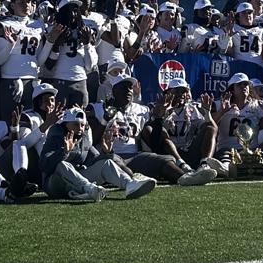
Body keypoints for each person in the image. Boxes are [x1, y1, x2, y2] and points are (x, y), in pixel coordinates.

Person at [88, 74, 216, 186]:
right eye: (123, 87)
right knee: (119, 165)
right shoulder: (99, 108)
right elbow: (91, 140)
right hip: (111, 155)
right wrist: (105, 120)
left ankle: (185, 177)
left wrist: (159, 118)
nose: (128, 91)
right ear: (113, 90)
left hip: (135, 156)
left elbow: (155, 138)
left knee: (164, 160)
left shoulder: (142, 110)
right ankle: (134, 179)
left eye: (130, 87)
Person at [40, 107, 156, 201]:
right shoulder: (55, 137)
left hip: (77, 182)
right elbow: (45, 166)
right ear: (65, 124)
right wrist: (64, 152)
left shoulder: (84, 140)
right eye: (75, 124)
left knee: (107, 163)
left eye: (82, 125)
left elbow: (96, 161)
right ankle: (89, 189)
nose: (80, 128)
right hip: (54, 184)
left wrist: (107, 152)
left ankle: (129, 185)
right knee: (62, 164)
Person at [149, 78, 226, 175]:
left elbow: (212, 127)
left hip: (189, 152)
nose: (181, 94)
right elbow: (155, 135)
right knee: (165, 136)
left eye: (184, 91)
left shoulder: (192, 108)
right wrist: (164, 114)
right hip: (169, 155)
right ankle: (182, 165)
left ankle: (205, 163)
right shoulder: (159, 107)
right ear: (168, 92)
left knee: (211, 128)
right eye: (177, 91)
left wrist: (207, 112)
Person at [0, 0, 45, 123]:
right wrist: (10, 44)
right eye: (22, 2)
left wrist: (50, 42)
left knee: (31, 123)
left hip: (32, 80)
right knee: (10, 123)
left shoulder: (38, 25)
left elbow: (38, 60)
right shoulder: (4, 23)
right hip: (11, 79)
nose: (26, 5)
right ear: (12, 5)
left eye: (28, 1)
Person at [212, 73, 263, 178]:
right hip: (228, 149)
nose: (244, 87)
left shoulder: (257, 105)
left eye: (246, 84)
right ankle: (224, 168)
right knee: (225, 154)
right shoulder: (220, 104)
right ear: (232, 89)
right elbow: (210, 127)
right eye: (239, 85)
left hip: (251, 152)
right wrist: (221, 112)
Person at [40, 0, 98, 107]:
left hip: (81, 80)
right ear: (61, 13)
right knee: (60, 118)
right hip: (60, 80)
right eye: (68, 11)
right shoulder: (51, 31)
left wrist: (87, 44)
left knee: (81, 118)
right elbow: (48, 65)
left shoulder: (86, 31)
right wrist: (56, 45)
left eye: (76, 10)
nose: (73, 14)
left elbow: (90, 66)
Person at [226, 3, 263, 69]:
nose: (247, 15)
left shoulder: (261, 30)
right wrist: (228, 36)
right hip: (240, 67)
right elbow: (229, 52)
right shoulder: (233, 29)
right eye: (244, 13)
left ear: (253, 15)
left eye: (249, 12)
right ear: (238, 16)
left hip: (258, 68)